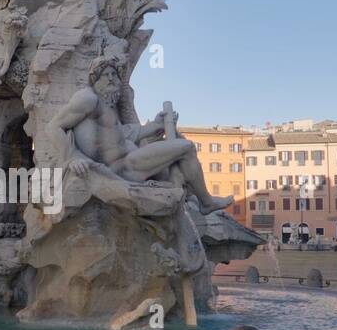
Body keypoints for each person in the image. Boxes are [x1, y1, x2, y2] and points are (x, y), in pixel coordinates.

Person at [49, 54, 234, 214]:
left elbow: (124, 134)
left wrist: (156, 125)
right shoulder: (87, 99)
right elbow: (53, 127)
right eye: (106, 75)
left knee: (174, 167)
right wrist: (72, 157)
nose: (112, 78)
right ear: (94, 78)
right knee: (186, 148)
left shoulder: (106, 105)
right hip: (123, 168)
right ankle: (207, 203)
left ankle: (192, 199)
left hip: (129, 161)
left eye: (114, 74)